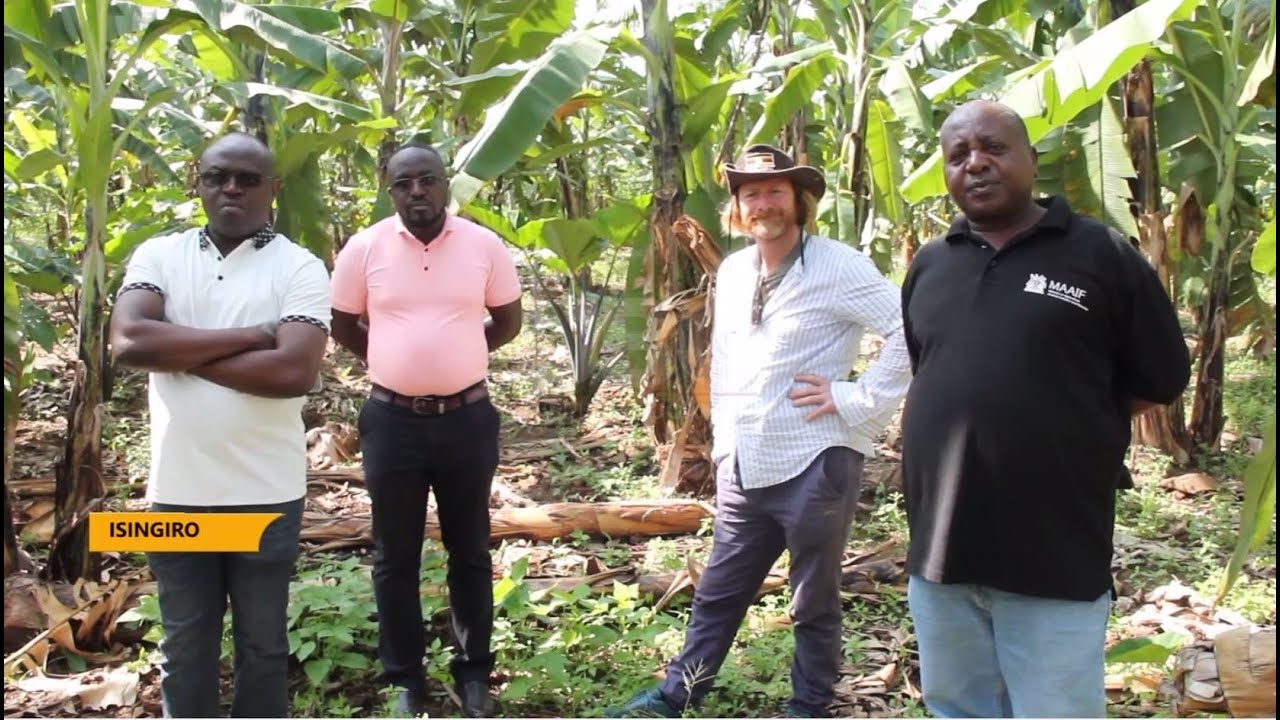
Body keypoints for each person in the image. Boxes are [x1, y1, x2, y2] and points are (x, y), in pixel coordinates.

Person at [899, 100, 1191, 718]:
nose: (975, 163)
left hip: (1052, 551)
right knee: (958, 707)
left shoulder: (1100, 254)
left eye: (993, 148)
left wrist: (1068, 421)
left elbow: (1161, 375)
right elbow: (932, 370)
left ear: (1031, 160)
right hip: (941, 551)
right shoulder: (931, 263)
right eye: (958, 155)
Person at [605, 144, 912, 718]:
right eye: (750, 193)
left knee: (811, 599)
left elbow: (908, 331)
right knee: (720, 590)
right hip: (747, 459)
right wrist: (723, 446)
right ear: (738, 207)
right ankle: (678, 695)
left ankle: (809, 706)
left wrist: (855, 396)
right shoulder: (734, 269)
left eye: (775, 190)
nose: (762, 202)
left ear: (799, 201)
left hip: (816, 458)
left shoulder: (839, 265)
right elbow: (723, 359)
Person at [110, 132, 331, 718]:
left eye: (248, 178)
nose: (231, 187)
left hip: (267, 494)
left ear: (273, 189)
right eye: (217, 176)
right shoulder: (161, 255)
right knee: (185, 646)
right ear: (198, 182)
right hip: (177, 496)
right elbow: (130, 342)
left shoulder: (300, 266)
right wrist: (254, 336)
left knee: (263, 646)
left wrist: (179, 350)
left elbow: (292, 371)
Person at [329, 142, 523, 718]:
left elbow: (508, 321)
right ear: (390, 190)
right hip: (392, 422)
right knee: (395, 554)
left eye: (428, 180)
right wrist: (394, 360)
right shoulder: (364, 248)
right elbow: (343, 323)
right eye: (404, 183)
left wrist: (457, 354)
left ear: (445, 184)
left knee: (470, 549)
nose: (417, 191)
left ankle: (474, 675)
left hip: (467, 419)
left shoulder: (484, 245)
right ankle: (403, 679)